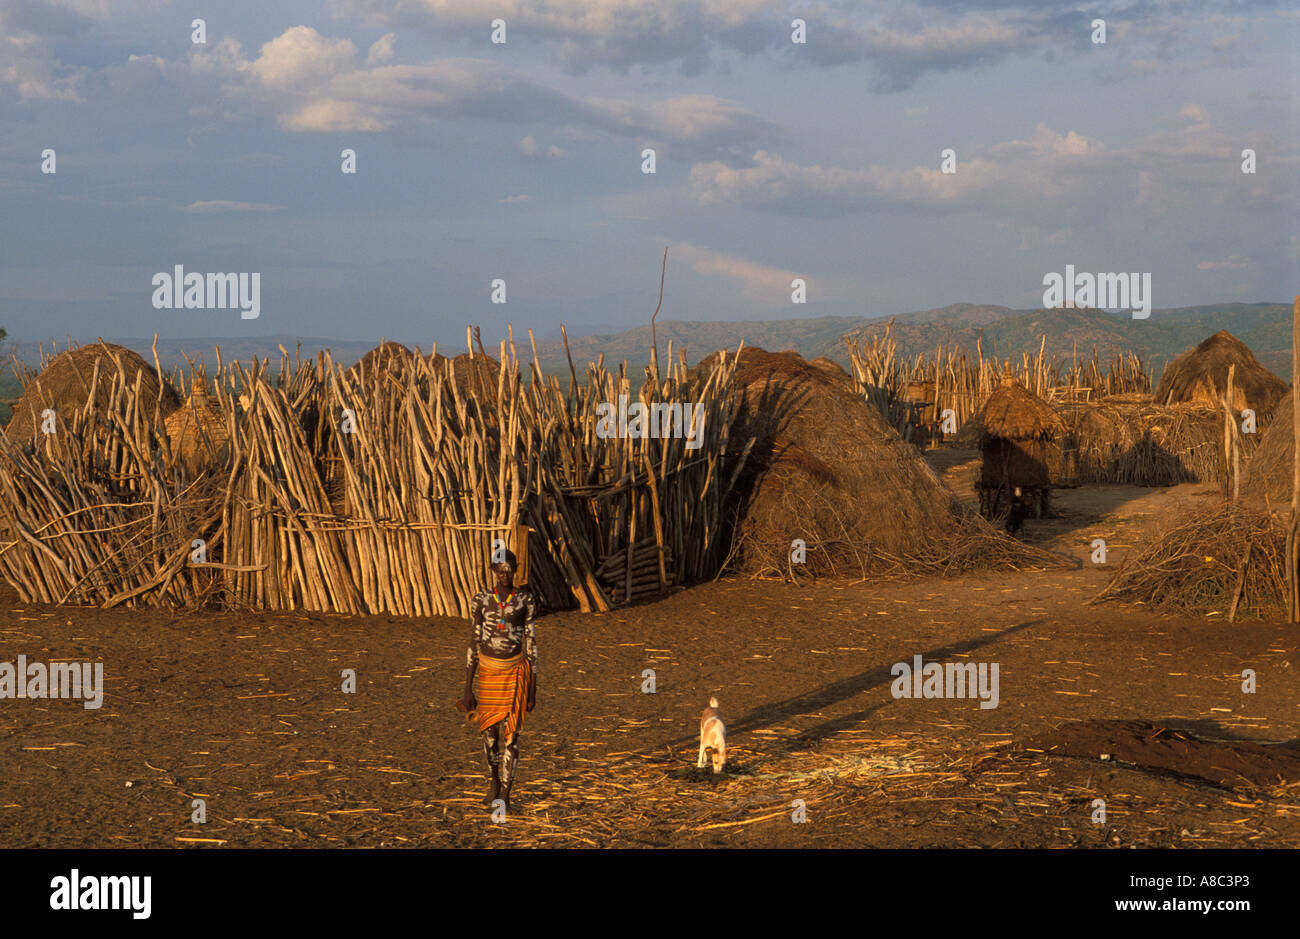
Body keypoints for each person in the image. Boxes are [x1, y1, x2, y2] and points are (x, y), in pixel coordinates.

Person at [458, 550, 537, 811]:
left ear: (516, 569)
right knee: (489, 735)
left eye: (509, 570)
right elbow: (474, 640)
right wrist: (467, 688)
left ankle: (506, 792)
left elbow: (531, 642)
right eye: (500, 571)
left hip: (515, 672)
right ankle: (493, 782)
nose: (505, 575)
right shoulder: (481, 600)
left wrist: (533, 686)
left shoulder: (525, 600)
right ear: (493, 571)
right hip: (488, 673)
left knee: (512, 737)